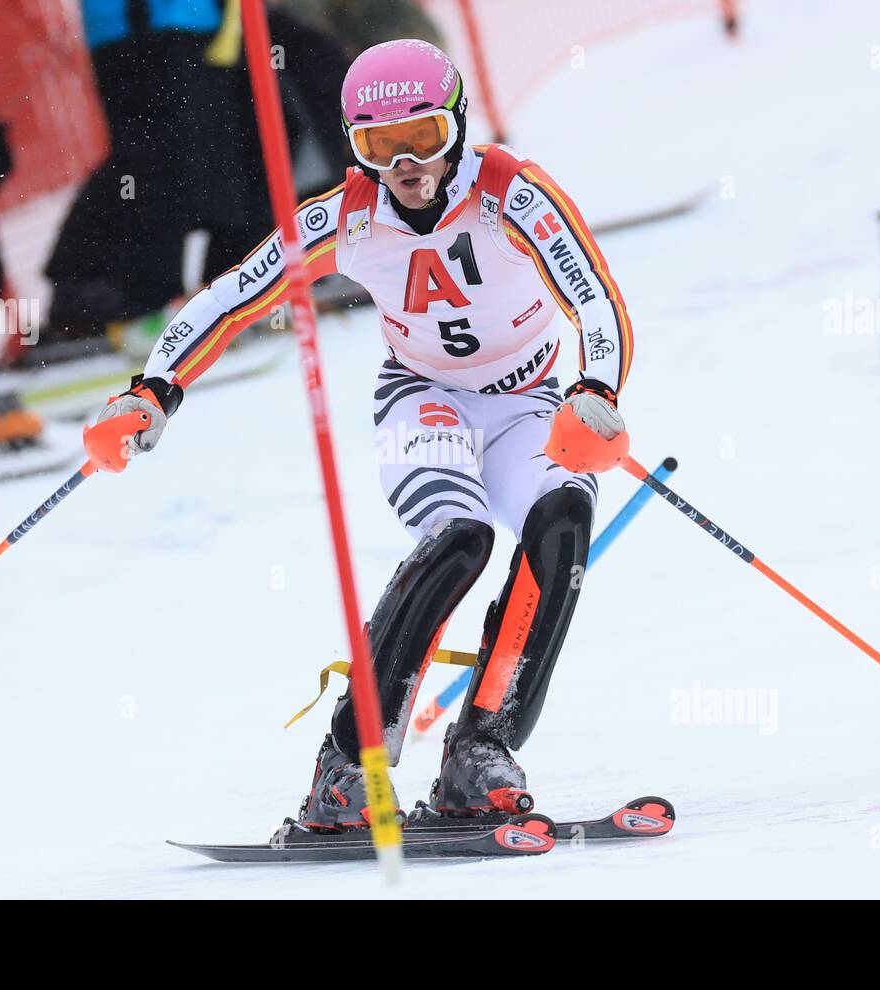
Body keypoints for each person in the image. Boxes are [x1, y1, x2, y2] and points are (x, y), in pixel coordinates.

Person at [93, 39, 634, 827]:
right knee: (460, 537)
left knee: (564, 526)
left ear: (457, 127)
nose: (407, 164)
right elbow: (232, 297)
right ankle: (347, 763)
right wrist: (150, 393)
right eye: (380, 146)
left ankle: (482, 747)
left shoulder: (512, 193)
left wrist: (595, 393)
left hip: (531, 404)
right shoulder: (347, 213)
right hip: (424, 401)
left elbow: (596, 297)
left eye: (424, 138)